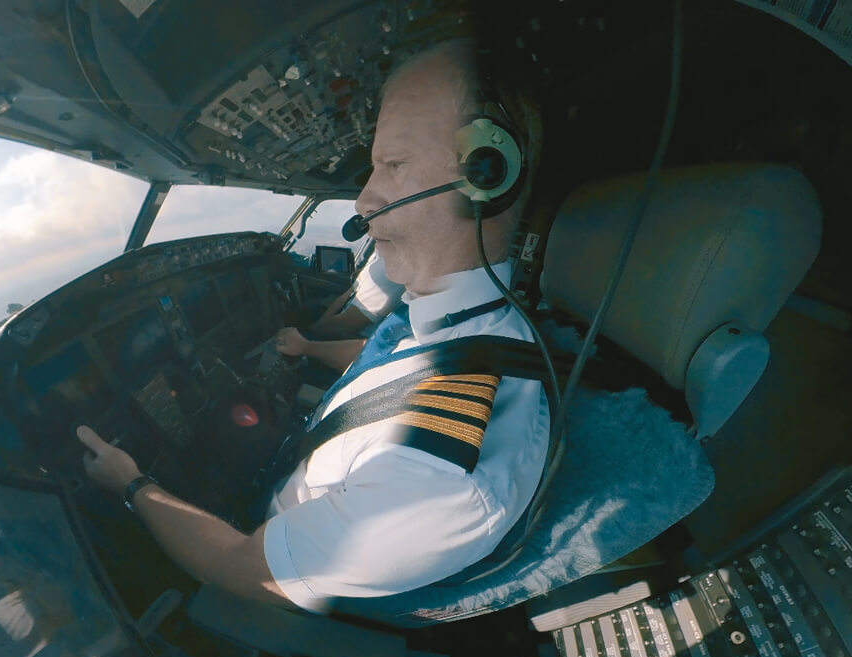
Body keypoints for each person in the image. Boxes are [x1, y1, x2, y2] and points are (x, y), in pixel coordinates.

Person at [75, 38, 548, 613]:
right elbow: (391, 377)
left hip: (265, 540)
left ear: (487, 173)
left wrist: (130, 484)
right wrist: (306, 347)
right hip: (303, 458)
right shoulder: (456, 325)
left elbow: (244, 571)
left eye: (393, 166)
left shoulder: (434, 476)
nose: (364, 202)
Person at [306, 250, 405, 340]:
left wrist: (311, 330)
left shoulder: (389, 269)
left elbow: (338, 327)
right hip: (343, 320)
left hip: (349, 342)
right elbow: (349, 293)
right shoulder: (380, 254)